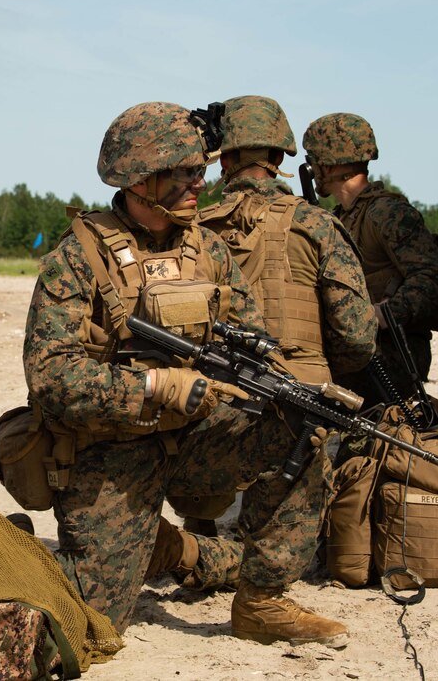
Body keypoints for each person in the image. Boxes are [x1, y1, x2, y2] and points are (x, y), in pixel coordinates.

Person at [23, 101, 349, 648]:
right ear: (142, 180)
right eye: (187, 173)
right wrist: (153, 386)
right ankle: (170, 550)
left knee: (299, 426)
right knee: (91, 630)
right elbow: (51, 376)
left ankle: (261, 601)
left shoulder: (209, 250)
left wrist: (278, 383)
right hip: (110, 455)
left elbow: (252, 338)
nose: (202, 183)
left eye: (202, 171)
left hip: (195, 441)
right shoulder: (78, 257)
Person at [168, 96, 377, 552]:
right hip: (298, 405)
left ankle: (198, 532)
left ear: (223, 159)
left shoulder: (191, 231)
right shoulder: (317, 225)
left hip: (211, 407)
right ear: (280, 159)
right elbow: (358, 337)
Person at [302, 113, 438, 404]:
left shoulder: (386, 213)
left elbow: (433, 282)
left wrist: (378, 316)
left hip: (390, 360)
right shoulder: (339, 219)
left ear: (328, 164)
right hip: (359, 359)